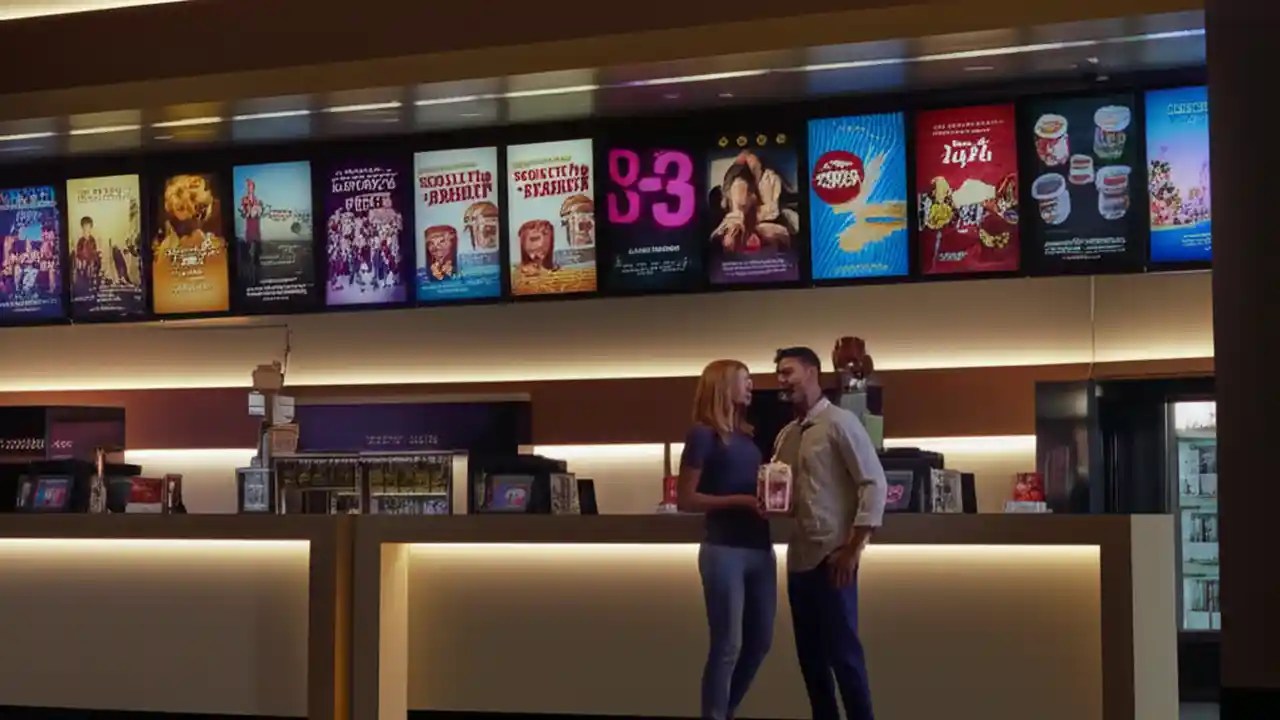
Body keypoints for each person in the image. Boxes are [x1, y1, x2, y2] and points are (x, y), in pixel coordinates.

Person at [771, 347, 887, 720]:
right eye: (779, 374)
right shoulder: (787, 435)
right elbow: (786, 493)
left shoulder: (841, 423)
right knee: (811, 663)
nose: (782, 381)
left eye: (788, 372)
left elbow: (874, 484)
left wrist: (853, 548)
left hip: (834, 558)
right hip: (799, 560)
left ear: (812, 372)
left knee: (845, 658)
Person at [678, 359, 775, 720]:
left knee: (760, 641)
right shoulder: (703, 435)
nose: (751, 386)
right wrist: (741, 501)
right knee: (727, 645)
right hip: (723, 549)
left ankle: (724, 710)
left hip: (760, 549)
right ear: (723, 385)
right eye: (744, 380)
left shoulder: (748, 437)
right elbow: (686, 499)